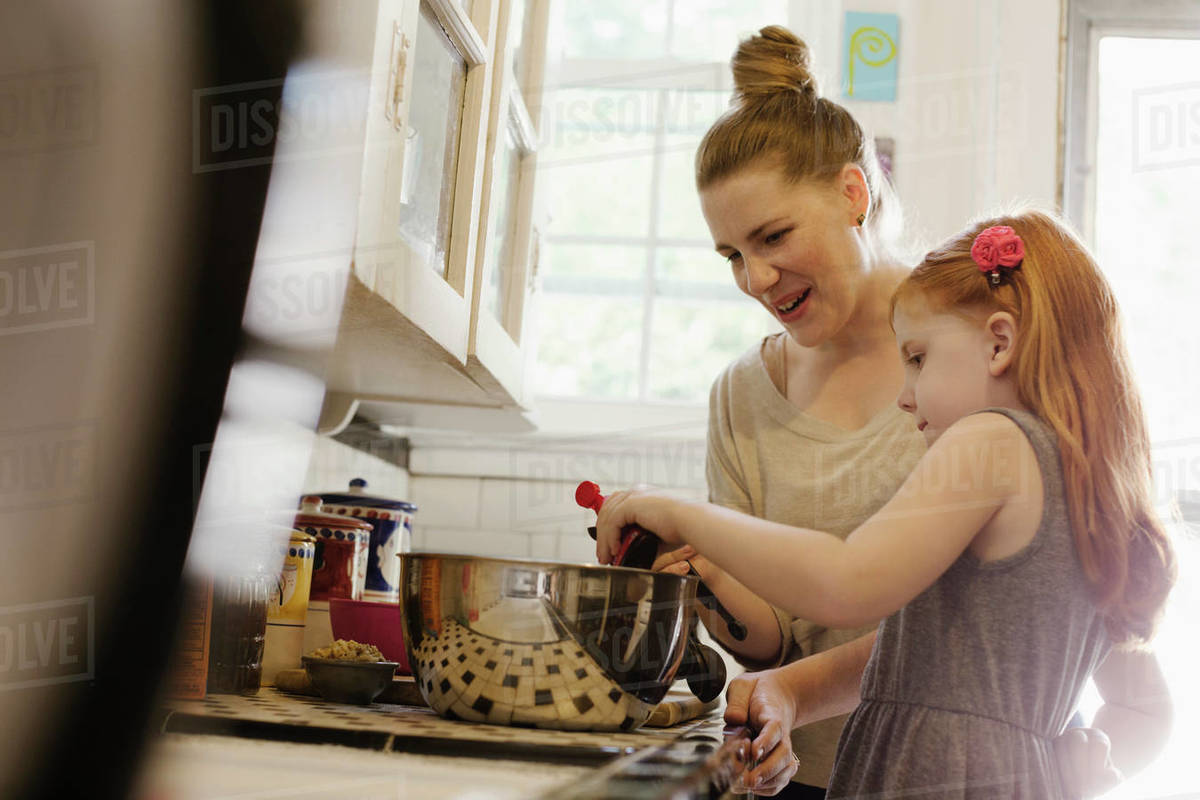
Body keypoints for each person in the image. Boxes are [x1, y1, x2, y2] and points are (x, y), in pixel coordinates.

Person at [598, 210, 1178, 798]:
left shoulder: (992, 440)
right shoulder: (1086, 488)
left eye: (919, 358)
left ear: (999, 343)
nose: (904, 396)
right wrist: (1069, 775)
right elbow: (934, 651)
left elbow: (846, 582)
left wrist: (676, 512)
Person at [645, 24, 926, 796]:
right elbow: (771, 640)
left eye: (773, 236)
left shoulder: (961, 349)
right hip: (805, 781)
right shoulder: (741, 395)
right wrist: (702, 570)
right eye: (732, 254)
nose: (755, 278)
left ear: (852, 193)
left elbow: (970, 618)